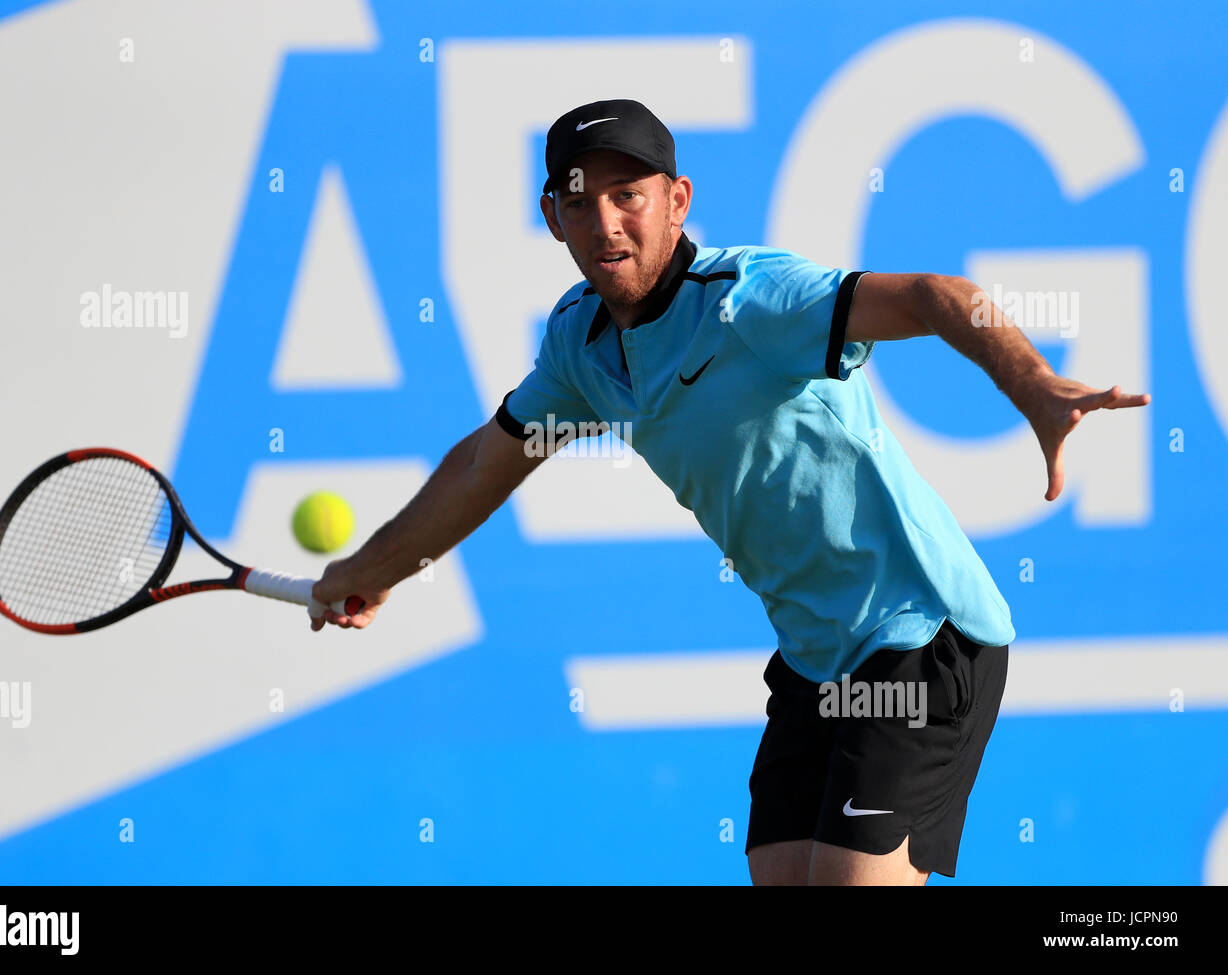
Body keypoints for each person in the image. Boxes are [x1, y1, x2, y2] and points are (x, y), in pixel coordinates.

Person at [309, 98, 1151, 885]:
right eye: (579, 201)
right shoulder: (580, 344)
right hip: (815, 659)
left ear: (677, 200)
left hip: (920, 635)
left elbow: (939, 297)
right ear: (551, 217)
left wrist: (1036, 385)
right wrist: (374, 568)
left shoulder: (751, 299)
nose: (605, 223)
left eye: (628, 195)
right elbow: (482, 466)